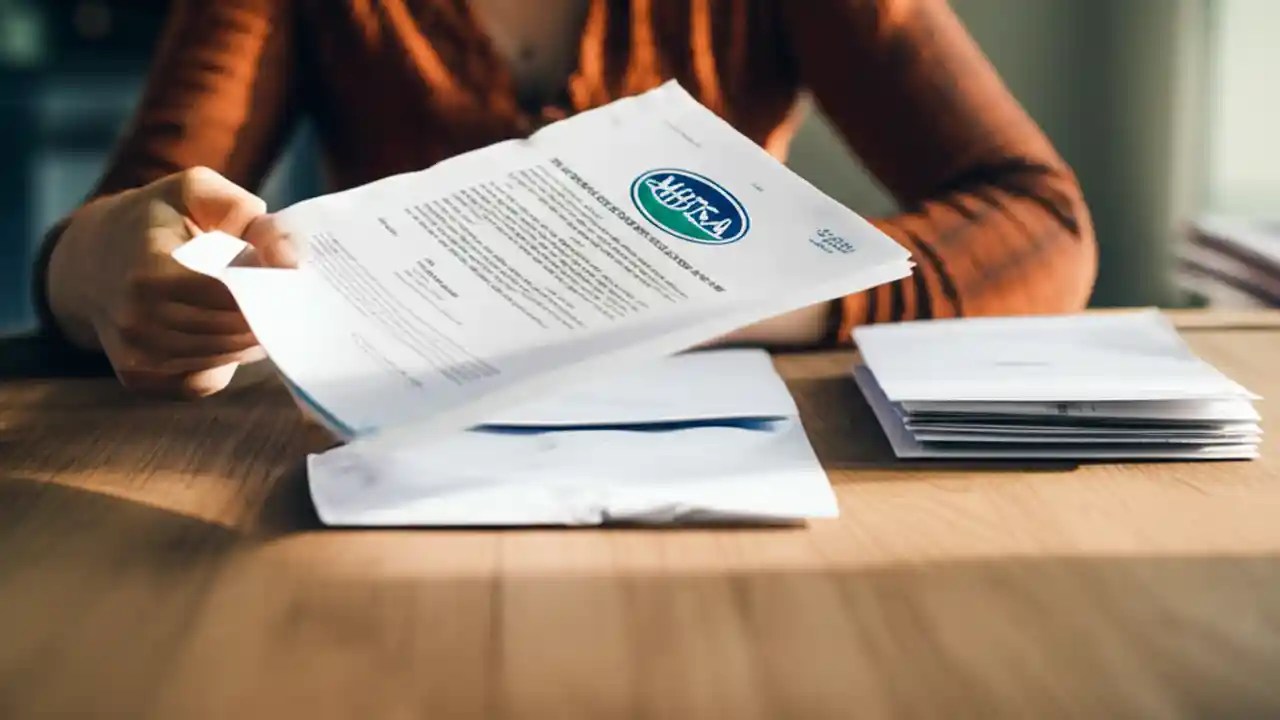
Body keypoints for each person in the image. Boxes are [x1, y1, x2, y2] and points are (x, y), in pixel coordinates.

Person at [36, 0, 1096, 398]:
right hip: (386, 454)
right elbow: (126, 223)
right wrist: (95, 269)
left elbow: (1036, 223)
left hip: (721, 441)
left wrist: (732, 297)